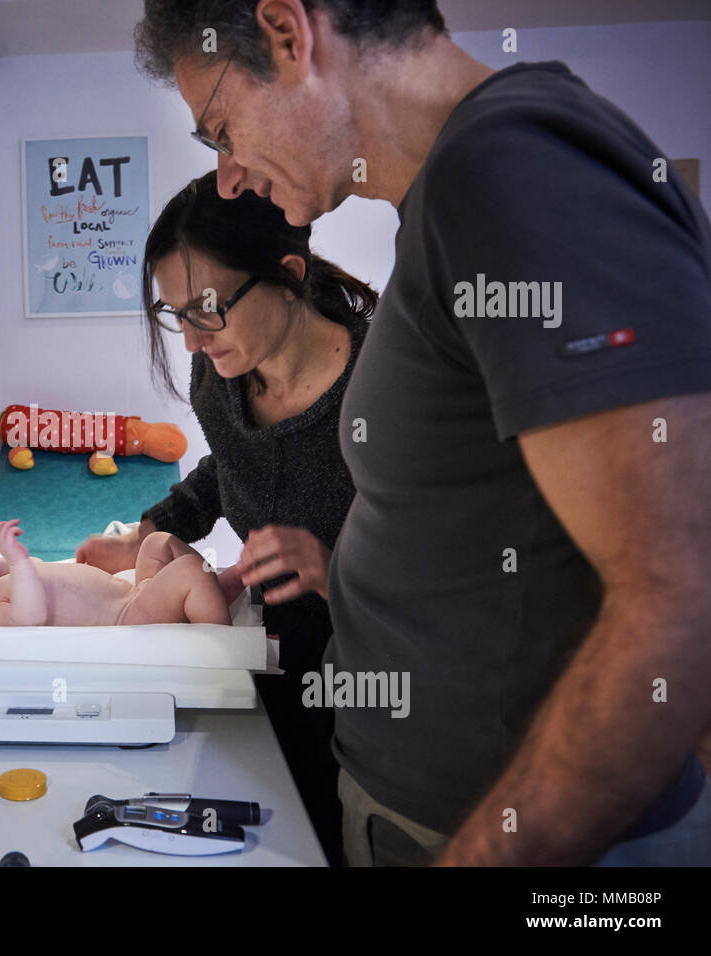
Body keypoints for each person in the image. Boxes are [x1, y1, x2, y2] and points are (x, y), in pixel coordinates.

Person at [135, 0, 711, 865]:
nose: (226, 175)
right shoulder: (449, 203)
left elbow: (681, 595)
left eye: (221, 129)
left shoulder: (513, 172)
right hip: (409, 801)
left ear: (290, 35)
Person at [75, 169, 377, 865]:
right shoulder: (218, 373)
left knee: (336, 836)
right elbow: (225, 466)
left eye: (207, 309)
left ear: (288, 275)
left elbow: (447, 565)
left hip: (373, 661)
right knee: (267, 824)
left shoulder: (380, 384)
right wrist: (148, 532)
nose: (190, 339)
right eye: (174, 314)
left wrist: (335, 576)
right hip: (270, 641)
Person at [0, 521, 237, 629]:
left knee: (158, 543)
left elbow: (28, 571)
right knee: (189, 569)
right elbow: (29, 619)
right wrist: (18, 563)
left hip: (136, 594)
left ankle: (209, 596)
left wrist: (4, 563)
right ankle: (220, 645)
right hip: (130, 618)